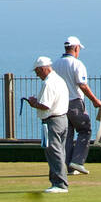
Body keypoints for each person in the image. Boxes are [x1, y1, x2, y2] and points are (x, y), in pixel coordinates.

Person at [52, 36, 101, 176]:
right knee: (85, 130)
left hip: (59, 105)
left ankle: (68, 167)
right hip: (75, 103)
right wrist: (94, 100)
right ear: (75, 48)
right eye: (79, 48)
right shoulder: (77, 64)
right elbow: (82, 85)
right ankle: (78, 161)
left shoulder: (55, 64)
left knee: (67, 135)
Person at [26, 56, 70, 194]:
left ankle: (60, 184)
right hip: (62, 119)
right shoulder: (59, 80)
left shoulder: (49, 83)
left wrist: (33, 103)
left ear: (43, 68)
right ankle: (57, 182)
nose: (37, 74)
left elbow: (45, 105)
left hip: (53, 121)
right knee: (59, 151)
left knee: (54, 152)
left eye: (37, 71)